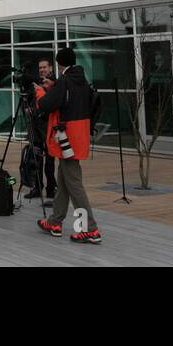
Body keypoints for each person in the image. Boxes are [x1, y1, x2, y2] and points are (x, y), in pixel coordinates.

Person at [36, 47, 101, 245]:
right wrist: (55, 86)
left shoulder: (64, 80)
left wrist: (40, 92)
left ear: (59, 63)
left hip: (67, 139)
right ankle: (55, 222)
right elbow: (68, 98)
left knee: (74, 184)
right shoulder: (80, 79)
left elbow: (46, 105)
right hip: (79, 135)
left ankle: (90, 229)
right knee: (63, 181)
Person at [24, 57, 58, 200]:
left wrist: (43, 90)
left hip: (49, 127)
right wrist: (28, 109)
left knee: (49, 162)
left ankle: (51, 188)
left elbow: (54, 102)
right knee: (36, 160)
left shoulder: (55, 83)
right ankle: (37, 188)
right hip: (36, 126)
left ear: (50, 68)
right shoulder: (35, 83)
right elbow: (30, 101)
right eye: (40, 68)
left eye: (44, 67)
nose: (42, 70)